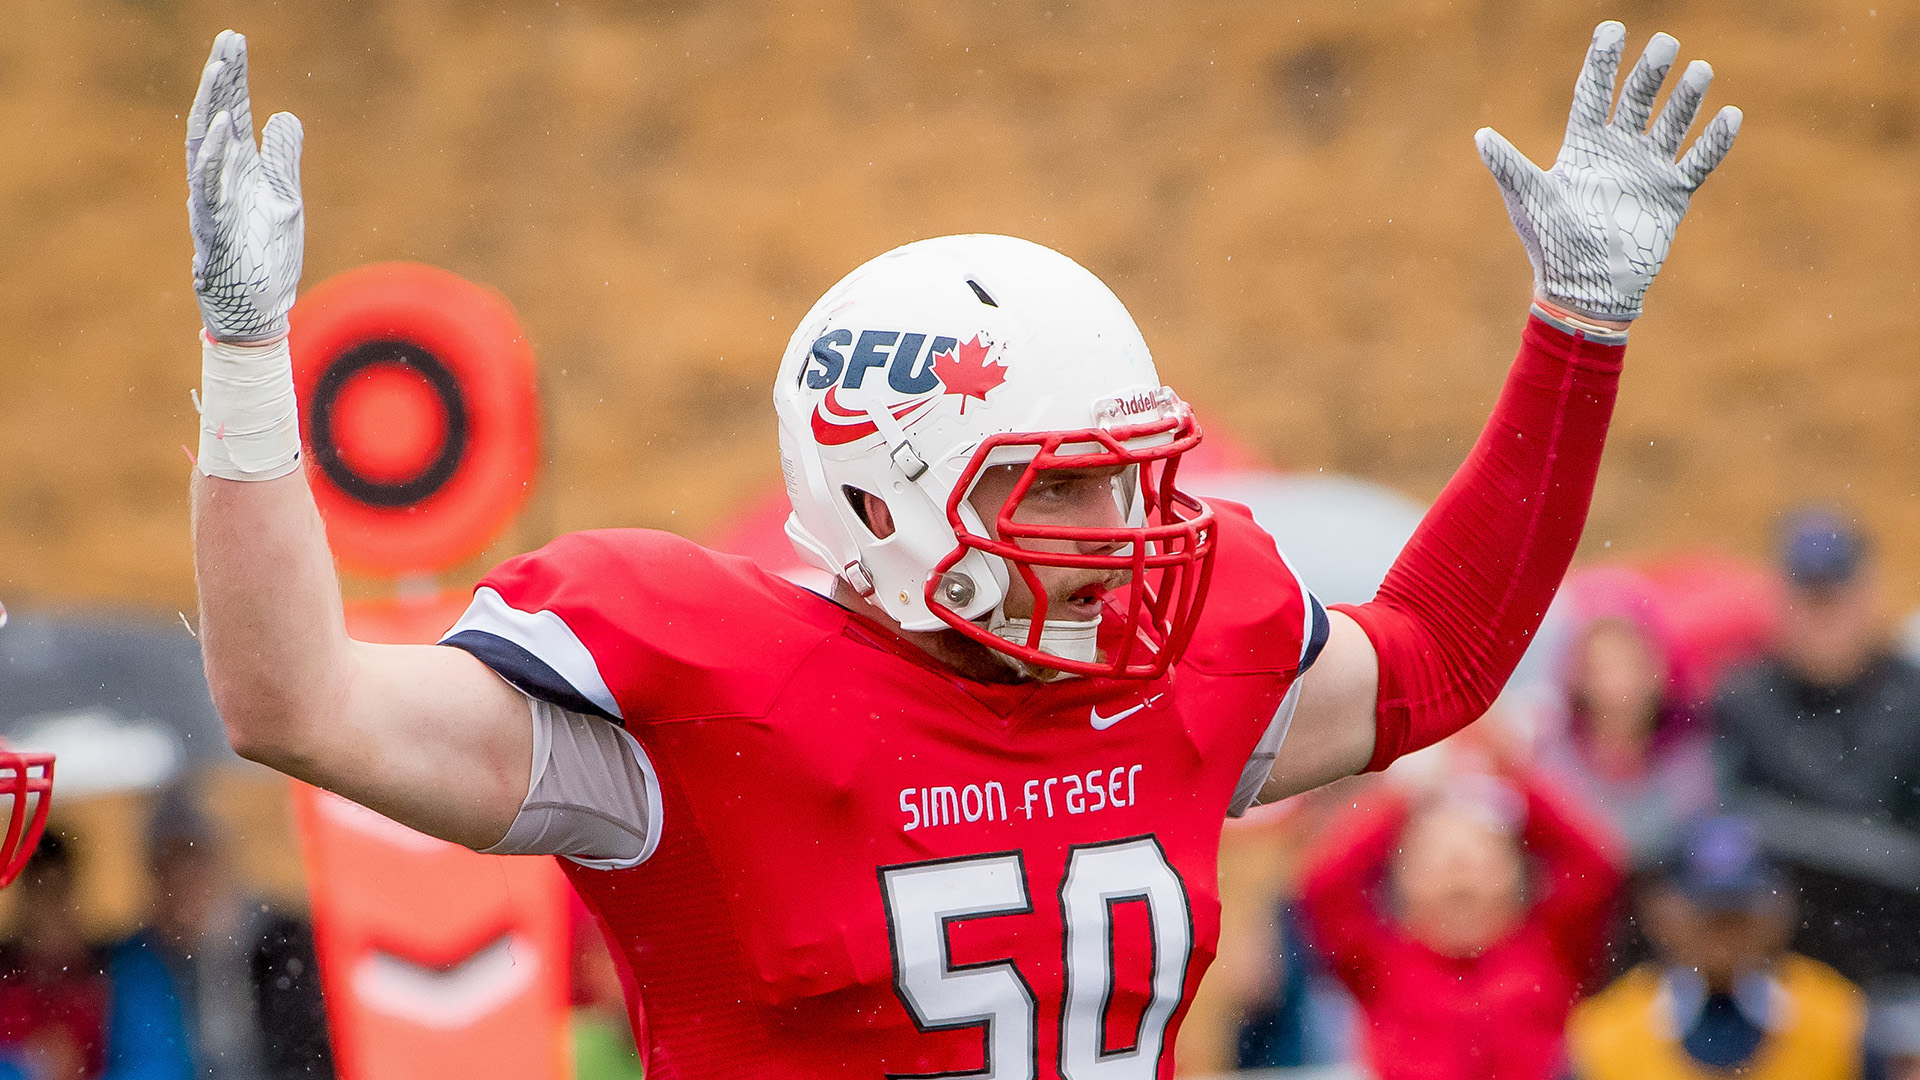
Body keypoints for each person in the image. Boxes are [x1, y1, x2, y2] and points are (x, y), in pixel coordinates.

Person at [181, 20, 1739, 1078]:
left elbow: (1439, 656)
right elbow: (291, 704)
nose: (1122, 534)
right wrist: (250, 358)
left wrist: (1577, 327)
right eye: (1059, 491)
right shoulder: (704, 704)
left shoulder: (1185, 670)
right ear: (885, 501)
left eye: (1131, 481)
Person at [1297, 770, 1620, 1080]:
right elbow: (1323, 885)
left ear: (1515, 875)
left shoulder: (1551, 950)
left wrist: (1511, 774)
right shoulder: (1378, 961)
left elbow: (1596, 867)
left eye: (1481, 861)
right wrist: (1402, 794)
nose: (1458, 879)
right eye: (1435, 863)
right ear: (1403, 882)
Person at [1713, 509, 1920, 992]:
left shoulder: (1911, 698)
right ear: (1780, 601)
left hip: (1899, 961)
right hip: (1775, 971)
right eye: (1807, 598)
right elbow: (1720, 827)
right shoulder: (1743, 696)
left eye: (1835, 597)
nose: (1822, 615)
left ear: (1867, 596)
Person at [1568, 815, 1871, 1080]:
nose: (1724, 927)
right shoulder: (1606, 1036)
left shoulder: (1839, 1022)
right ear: (1660, 912)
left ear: (1779, 910)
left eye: (1740, 910)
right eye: (1707, 911)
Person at [102, 785, 333, 1080]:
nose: (183, 880)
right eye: (169, 867)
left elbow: (303, 1053)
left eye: (193, 861)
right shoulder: (138, 963)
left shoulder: (276, 946)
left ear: (218, 864)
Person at [0, 831, 110, 1080]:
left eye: (59, 890)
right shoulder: (7, 982)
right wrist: (24, 1062)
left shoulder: (111, 978)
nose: (51, 907)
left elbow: (148, 1062)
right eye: (40, 891)